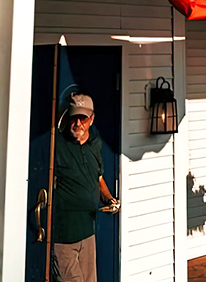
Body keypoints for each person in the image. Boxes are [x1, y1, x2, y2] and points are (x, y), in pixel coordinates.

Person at [53, 93, 120, 282]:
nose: (77, 123)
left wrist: (110, 199)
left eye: (82, 118)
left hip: (88, 234)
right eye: (73, 117)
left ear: (91, 119)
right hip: (64, 236)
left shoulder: (95, 145)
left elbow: (98, 178)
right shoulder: (57, 146)